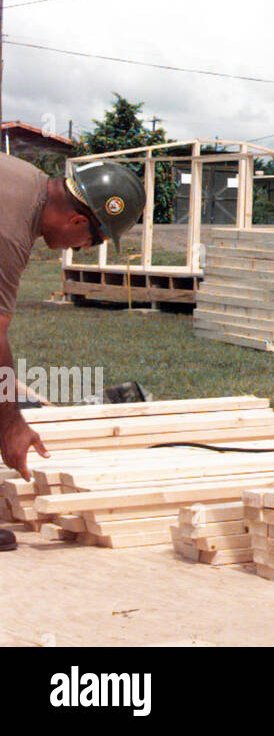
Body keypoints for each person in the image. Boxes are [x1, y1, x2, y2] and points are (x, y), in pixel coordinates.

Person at [0, 155, 146, 551]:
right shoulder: (9, 232)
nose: (82, 249)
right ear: (79, 222)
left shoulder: (23, 178)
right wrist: (11, 424)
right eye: (92, 242)